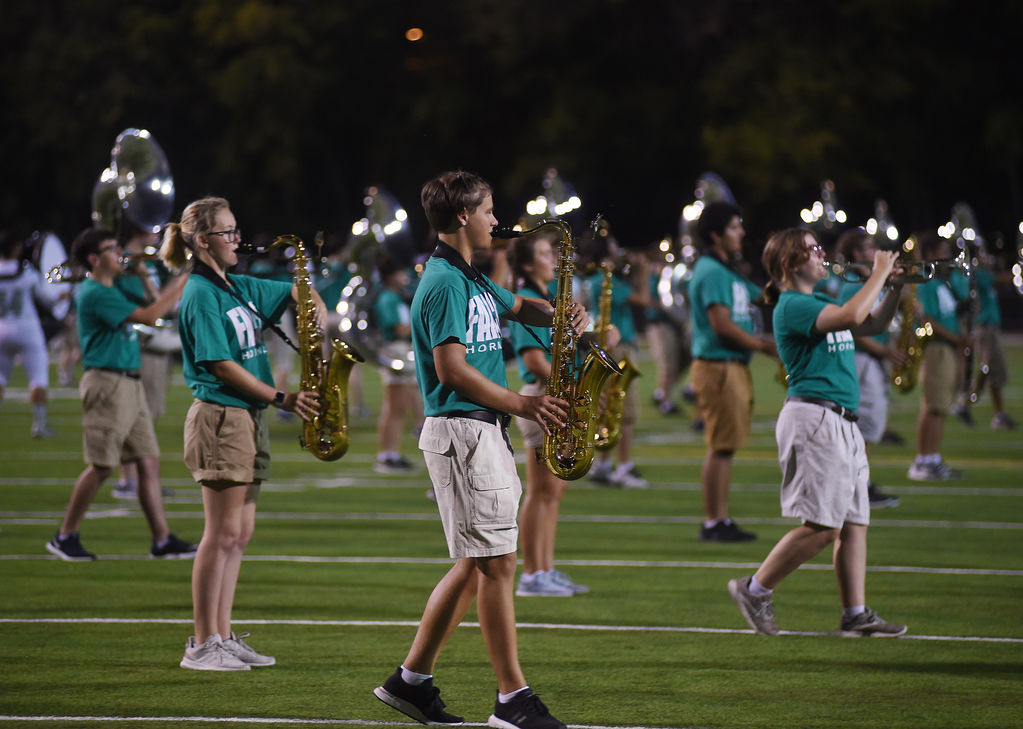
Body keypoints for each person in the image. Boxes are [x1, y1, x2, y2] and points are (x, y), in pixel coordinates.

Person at [373, 171, 576, 729]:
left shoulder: (469, 277)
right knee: (496, 565)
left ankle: (410, 681)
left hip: (481, 431)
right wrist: (523, 403)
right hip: (465, 429)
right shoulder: (443, 281)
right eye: (488, 209)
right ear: (462, 216)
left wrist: (560, 314)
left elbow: (518, 307)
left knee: (475, 562)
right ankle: (513, 699)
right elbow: (452, 370)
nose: (495, 219)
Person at [161, 196, 324, 671]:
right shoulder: (200, 293)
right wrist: (282, 398)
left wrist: (309, 296)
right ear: (200, 240)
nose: (238, 239)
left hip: (249, 418)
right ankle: (201, 642)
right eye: (227, 232)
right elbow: (220, 364)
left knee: (240, 532)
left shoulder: (237, 285)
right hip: (221, 415)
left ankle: (223, 634)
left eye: (236, 229)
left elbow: (302, 299)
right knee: (220, 533)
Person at [728, 228, 907, 638]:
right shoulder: (791, 306)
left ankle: (856, 614)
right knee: (824, 527)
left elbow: (872, 322)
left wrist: (893, 287)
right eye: (813, 249)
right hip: (815, 420)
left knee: (854, 523)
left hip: (842, 422)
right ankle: (755, 589)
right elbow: (851, 316)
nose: (822, 254)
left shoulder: (819, 301)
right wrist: (879, 272)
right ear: (792, 263)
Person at [45, 227, 195, 562]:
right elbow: (152, 315)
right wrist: (184, 278)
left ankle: (162, 539)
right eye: (112, 249)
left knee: (148, 460)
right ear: (95, 260)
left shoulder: (114, 288)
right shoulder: (96, 292)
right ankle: (64, 536)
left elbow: (158, 309)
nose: (120, 254)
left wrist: (144, 278)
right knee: (101, 466)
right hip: (108, 383)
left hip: (129, 381)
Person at [687, 202, 776, 542]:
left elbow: (766, 297)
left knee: (725, 445)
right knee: (721, 445)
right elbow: (720, 323)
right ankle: (714, 521)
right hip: (718, 365)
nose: (741, 233)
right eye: (735, 227)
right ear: (716, 234)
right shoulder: (711, 271)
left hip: (731, 365)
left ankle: (719, 518)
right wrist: (762, 345)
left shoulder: (726, 270)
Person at [507, 232, 587, 598]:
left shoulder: (553, 299)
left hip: (558, 397)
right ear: (526, 264)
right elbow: (534, 361)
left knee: (554, 494)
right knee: (540, 493)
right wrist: (570, 386)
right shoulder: (524, 301)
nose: (551, 257)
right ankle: (532, 574)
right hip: (542, 399)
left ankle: (546, 568)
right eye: (542, 252)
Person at [835, 229, 903, 508]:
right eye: (869, 247)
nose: (875, 251)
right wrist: (884, 350)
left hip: (871, 361)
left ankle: (861, 480)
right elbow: (852, 328)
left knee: (870, 426)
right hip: (861, 360)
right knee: (863, 425)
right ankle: (856, 484)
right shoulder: (852, 285)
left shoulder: (870, 284)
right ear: (856, 254)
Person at [112, 223, 180, 500]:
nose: (155, 227)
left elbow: (157, 301)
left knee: (151, 412)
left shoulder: (144, 261)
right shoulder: (127, 261)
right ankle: (129, 480)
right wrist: (183, 280)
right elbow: (144, 308)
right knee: (139, 415)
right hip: (141, 343)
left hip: (154, 342)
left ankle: (141, 481)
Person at [585, 228, 649, 489]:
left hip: (604, 345)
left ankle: (602, 464)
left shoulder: (592, 279)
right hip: (618, 347)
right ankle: (623, 466)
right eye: (613, 247)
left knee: (606, 409)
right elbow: (643, 299)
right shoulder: (607, 279)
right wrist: (642, 270)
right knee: (623, 409)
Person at [908, 234, 968, 481]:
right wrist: (957, 339)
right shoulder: (927, 282)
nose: (948, 256)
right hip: (937, 348)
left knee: (939, 407)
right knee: (934, 406)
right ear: (931, 253)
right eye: (943, 251)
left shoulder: (943, 282)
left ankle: (932, 458)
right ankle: (923, 460)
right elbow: (927, 321)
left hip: (947, 348)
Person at [0, 231, 60, 438]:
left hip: (1, 328)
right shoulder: (26, 273)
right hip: (26, 329)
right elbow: (46, 301)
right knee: (38, 379)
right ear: (15, 249)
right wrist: (62, 297)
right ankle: (40, 425)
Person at [952, 244, 1015, 431]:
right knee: (988, 368)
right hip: (985, 328)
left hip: (988, 327)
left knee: (990, 371)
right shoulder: (978, 273)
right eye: (982, 253)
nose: (986, 256)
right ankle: (965, 403)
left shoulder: (978, 272)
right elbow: (1004, 279)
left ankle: (997, 413)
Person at [373, 250, 422, 473]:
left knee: (402, 407)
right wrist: (423, 323)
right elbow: (398, 328)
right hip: (395, 351)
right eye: (400, 272)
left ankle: (391, 453)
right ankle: (386, 456)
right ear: (391, 275)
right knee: (394, 408)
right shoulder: (387, 298)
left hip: (402, 351)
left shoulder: (396, 296)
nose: (404, 276)